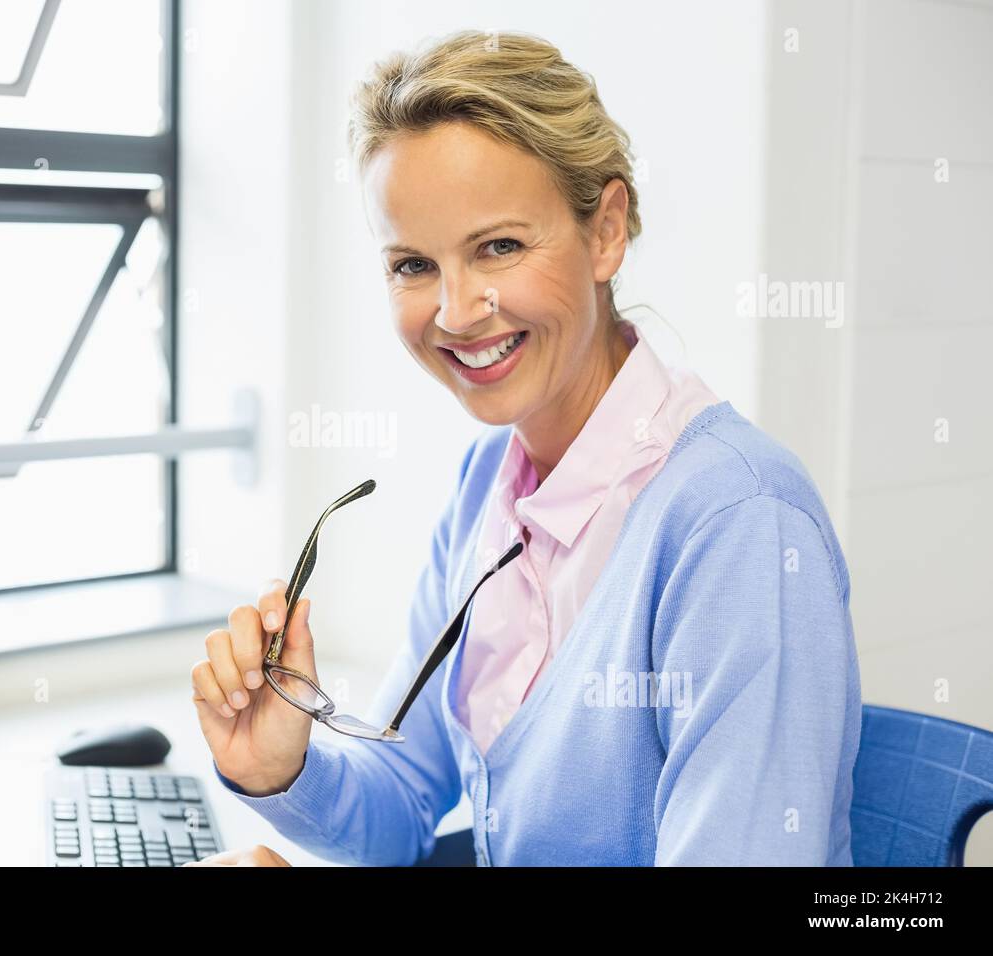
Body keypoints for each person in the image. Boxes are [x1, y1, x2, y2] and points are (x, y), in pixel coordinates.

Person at [188, 30, 860, 866]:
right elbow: (404, 802)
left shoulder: (742, 526)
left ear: (606, 231)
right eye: (412, 265)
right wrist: (280, 766)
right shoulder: (488, 484)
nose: (458, 311)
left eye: (498, 246)